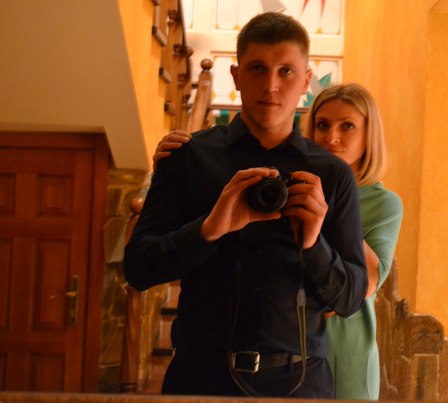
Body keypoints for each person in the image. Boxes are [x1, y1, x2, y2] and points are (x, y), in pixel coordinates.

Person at [124, 12, 368, 399]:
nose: (271, 85)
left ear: (306, 80)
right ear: (236, 76)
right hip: (200, 379)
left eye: (286, 71)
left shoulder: (332, 175)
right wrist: (209, 230)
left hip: (300, 382)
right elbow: (138, 269)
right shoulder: (188, 157)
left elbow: (351, 299)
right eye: (257, 69)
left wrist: (313, 243)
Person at [154, 83, 403, 400]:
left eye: (348, 126)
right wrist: (175, 172)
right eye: (323, 125)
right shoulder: (284, 182)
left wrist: (325, 209)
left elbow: (368, 282)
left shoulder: (384, 203)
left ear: (369, 135)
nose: (332, 137)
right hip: (284, 345)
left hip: (344, 343)